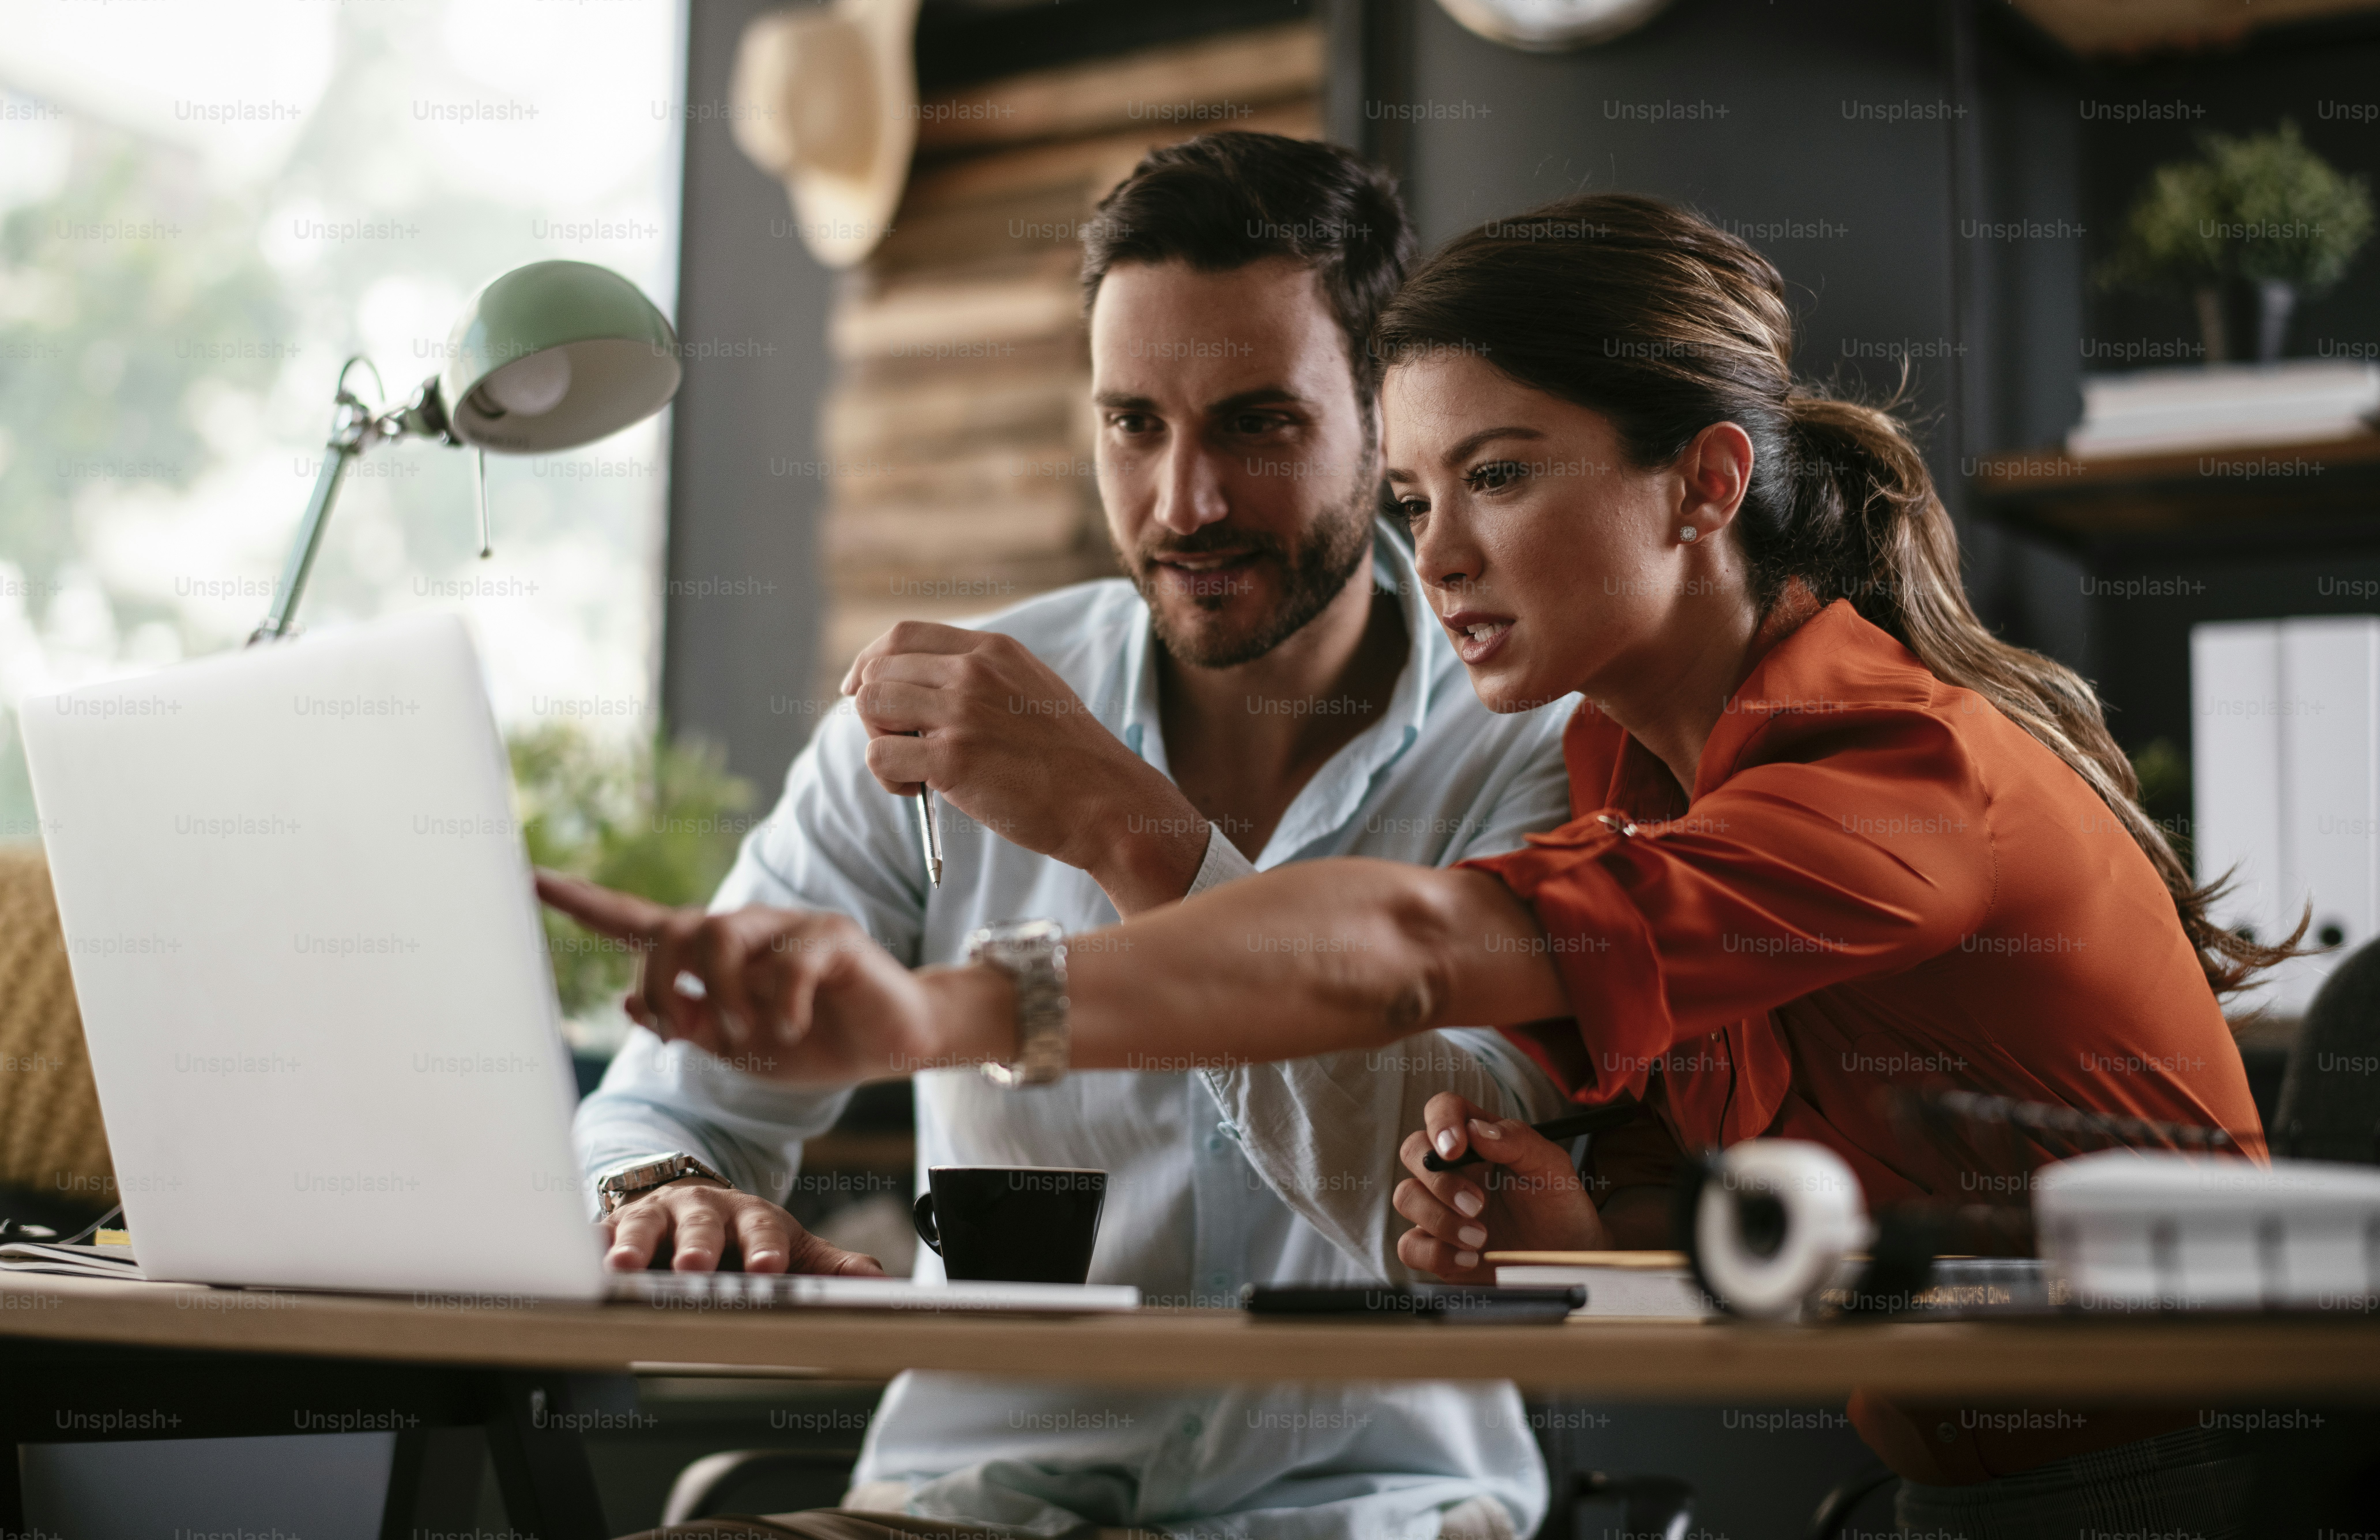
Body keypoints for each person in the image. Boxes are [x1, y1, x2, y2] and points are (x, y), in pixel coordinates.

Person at [548, 191, 2282, 1539]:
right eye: (1426, 491)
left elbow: (1412, 953)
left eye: (1500, 479)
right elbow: (1667, 1165)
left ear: (1703, 489)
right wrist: (1577, 1207)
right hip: (1942, 1490)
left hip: (2169, 1492)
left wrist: (933, 1012)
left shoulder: (1888, 767)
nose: (1440, 554)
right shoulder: (1628, 755)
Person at [573, 132, 1576, 1540]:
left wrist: (1123, 823)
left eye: (1258, 422)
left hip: (1371, 1512)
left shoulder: (1533, 742)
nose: (1186, 504)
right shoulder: (931, 720)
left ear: (1386, 418)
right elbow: (665, 1102)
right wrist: (674, 1189)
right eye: (1135, 424)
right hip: (962, 1509)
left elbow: (1451, 1189)